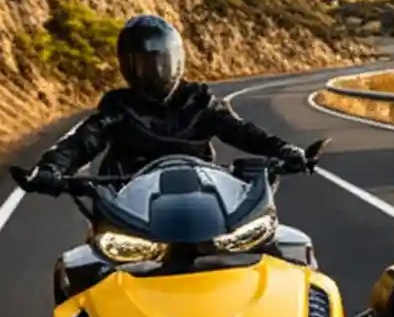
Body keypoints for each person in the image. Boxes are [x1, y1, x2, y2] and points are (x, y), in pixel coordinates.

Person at [24, 14, 308, 194]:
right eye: (142, 64)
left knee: (273, 243)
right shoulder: (118, 109)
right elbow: (81, 142)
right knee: (85, 268)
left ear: (176, 60)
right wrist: (52, 168)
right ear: (126, 66)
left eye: (160, 62)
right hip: (127, 205)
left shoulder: (201, 102)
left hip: (201, 201)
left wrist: (283, 150)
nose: (154, 72)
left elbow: (242, 131)